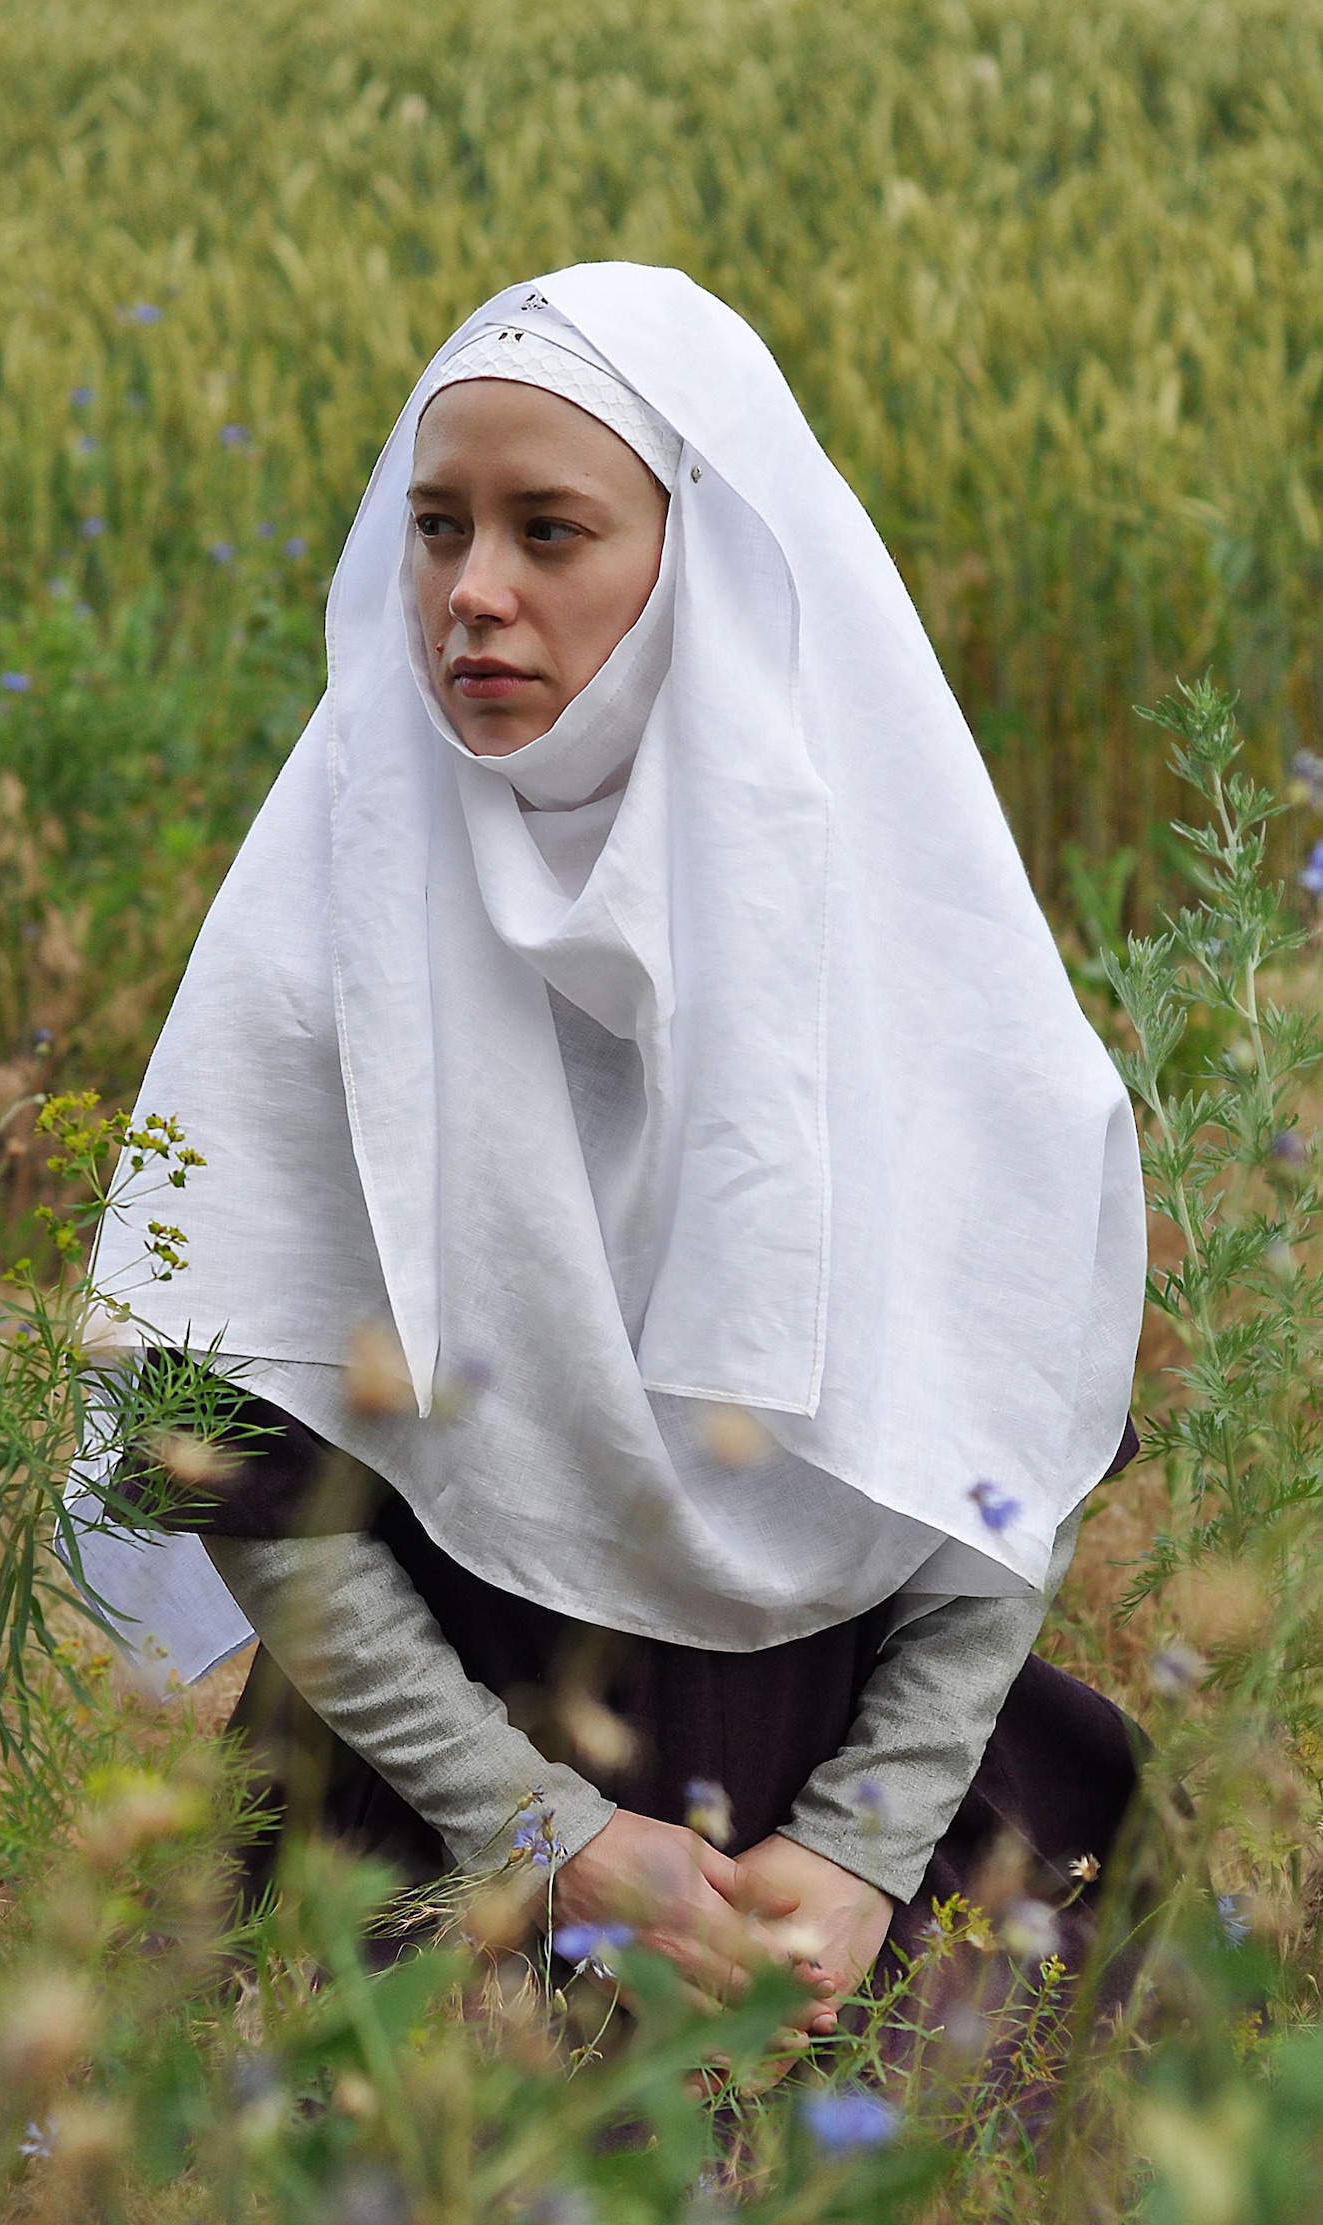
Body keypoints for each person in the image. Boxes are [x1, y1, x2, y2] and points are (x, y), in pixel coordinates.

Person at [83, 264, 1146, 2029]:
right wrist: (543, 1832)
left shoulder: (899, 924)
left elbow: (1000, 1438)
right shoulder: (327, 908)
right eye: (437, 526)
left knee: (929, 2176)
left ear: (694, 560)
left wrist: (868, 1841)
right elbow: (241, 1445)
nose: (472, 593)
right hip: (424, 1805)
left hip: (854, 1828)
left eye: (550, 530)